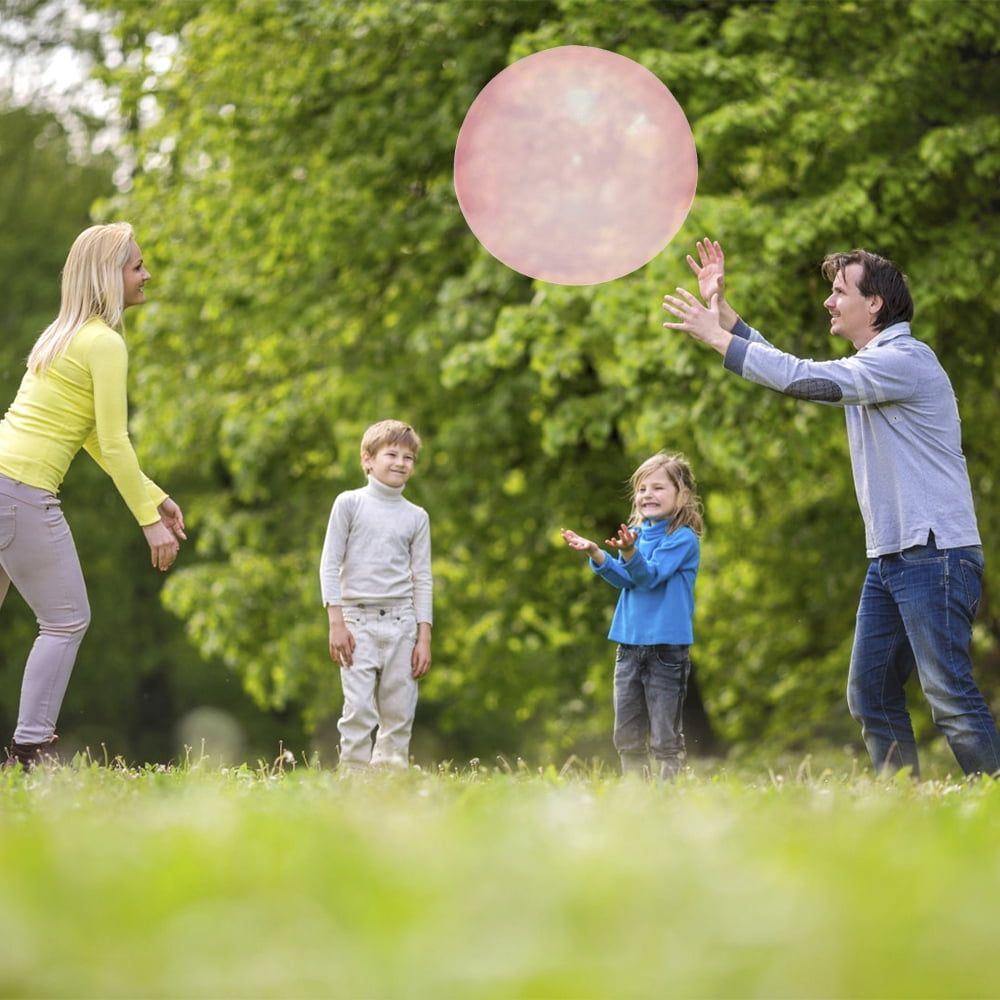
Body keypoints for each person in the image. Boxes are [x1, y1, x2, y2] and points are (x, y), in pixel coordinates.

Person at [662, 237, 1000, 779]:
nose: (828, 301)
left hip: (934, 553)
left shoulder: (904, 362)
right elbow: (796, 367)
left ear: (875, 306)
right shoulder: (875, 363)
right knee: (870, 695)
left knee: (949, 696)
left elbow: (806, 379)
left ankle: (991, 803)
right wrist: (723, 313)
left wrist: (719, 340)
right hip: (894, 556)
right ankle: (903, 808)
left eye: (840, 291)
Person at [0, 222, 186, 770]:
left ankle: (27, 751)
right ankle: (30, 751)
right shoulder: (103, 342)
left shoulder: (59, 335)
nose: (147, 275)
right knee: (65, 619)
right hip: (21, 492)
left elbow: (88, 438)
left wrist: (154, 497)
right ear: (109, 275)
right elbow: (112, 439)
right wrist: (150, 523)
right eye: (136, 267)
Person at [562, 452, 703, 780]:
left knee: (665, 736)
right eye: (641, 489)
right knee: (626, 733)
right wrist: (597, 552)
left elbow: (649, 576)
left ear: (682, 495)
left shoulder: (681, 539)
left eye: (658, 488)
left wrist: (627, 552)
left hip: (666, 650)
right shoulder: (637, 537)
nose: (647, 495)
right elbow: (627, 580)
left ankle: (668, 794)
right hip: (628, 647)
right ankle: (636, 794)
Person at [319, 419, 432, 771]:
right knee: (359, 709)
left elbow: (423, 578)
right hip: (356, 622)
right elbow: (329, 564)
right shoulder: (349, 504)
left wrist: (423, 636)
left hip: (402, 623)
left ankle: (388, 785)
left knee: (399, 710)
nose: (400, 463)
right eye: (392, 454)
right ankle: (352, 781)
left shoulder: (416, 516)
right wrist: (336, 623)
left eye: (408, 457)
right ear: (368, 460)